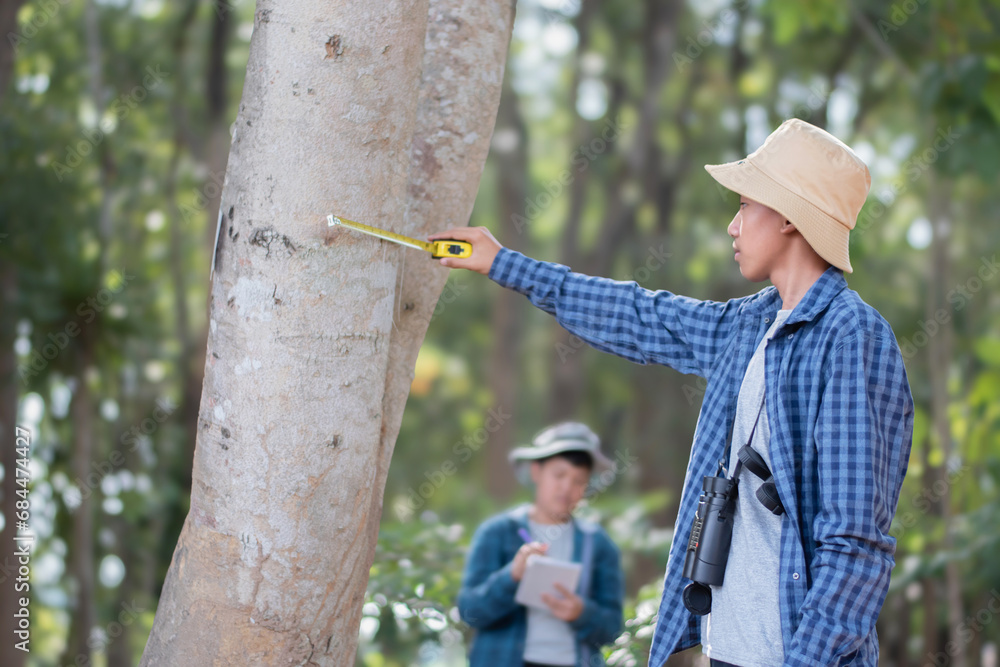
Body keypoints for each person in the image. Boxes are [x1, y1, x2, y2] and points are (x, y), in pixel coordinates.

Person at [435, 119, 914, 666]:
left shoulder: (852, 336)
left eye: (744, 207)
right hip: (729, 647)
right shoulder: (748, 324)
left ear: (786, 216)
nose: (733, 227)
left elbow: (855, 544)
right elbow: (638, 314)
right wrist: (504, 264)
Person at [457, 422, 625, 667]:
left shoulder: (599, 545)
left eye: (578, 481)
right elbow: (470, 612)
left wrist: (581, 613)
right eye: (559, 475)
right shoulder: (496, 533)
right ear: (536, 471)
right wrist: (512, 576)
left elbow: (611, 630)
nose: (566, 488)